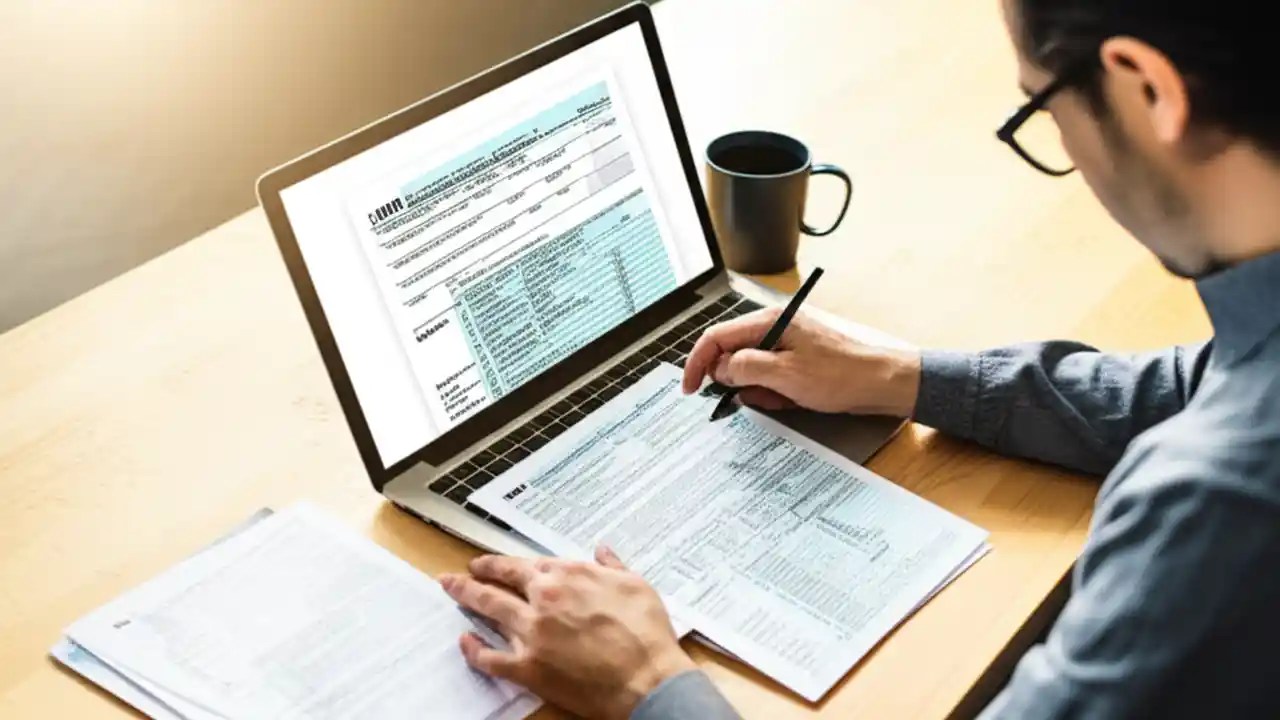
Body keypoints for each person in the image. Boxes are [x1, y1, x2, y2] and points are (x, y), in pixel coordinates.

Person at [440, 0, 1280, 716]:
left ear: (1146, 87)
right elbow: (1207, 381)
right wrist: (906, 377)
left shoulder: (1216, 505)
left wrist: (650, 682)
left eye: (1045, 112)